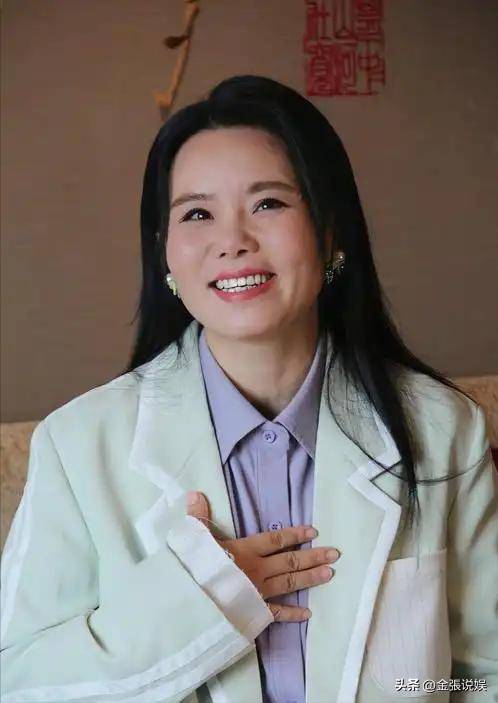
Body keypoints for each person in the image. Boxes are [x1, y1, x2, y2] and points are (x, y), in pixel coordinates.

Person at [1, 75, 497, 703]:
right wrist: (201, 596)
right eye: (197, 214)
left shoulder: (443, 428)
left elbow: (479, 674)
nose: (232, 241)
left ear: (330, 231)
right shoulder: (79, 444)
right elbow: (18, 680)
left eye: (268, 204)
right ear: (165, 255)